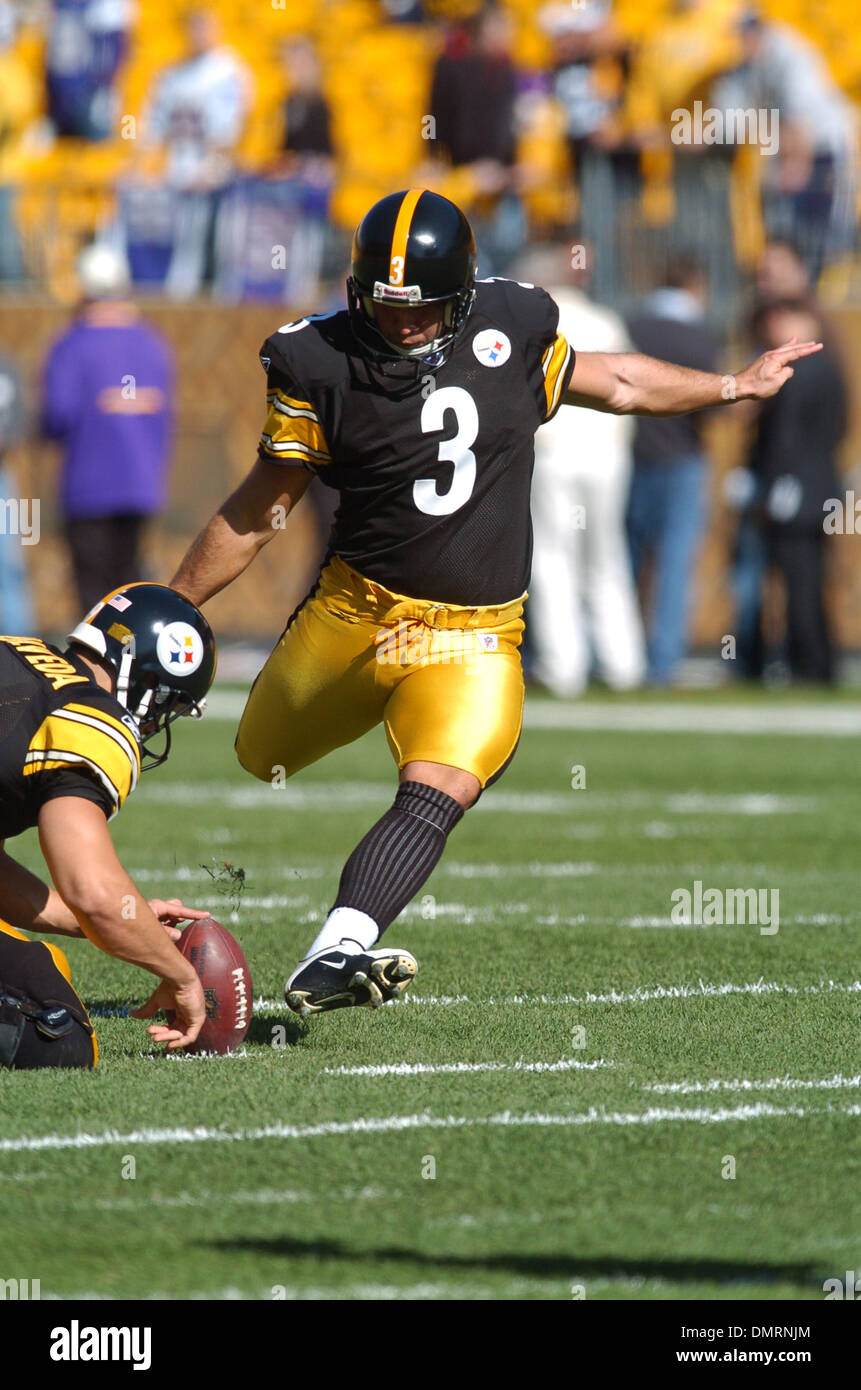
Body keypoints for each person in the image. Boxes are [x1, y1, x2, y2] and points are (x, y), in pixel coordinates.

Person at [169, 187, 820, 1020]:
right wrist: (171, 606)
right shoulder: (316, 361)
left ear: (461, 295)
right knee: (260, 753)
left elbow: (618, 381)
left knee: (442, 784)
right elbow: (261, 511)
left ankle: (337, 948)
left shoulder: (511, 326)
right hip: (353, 616)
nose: (404, 324)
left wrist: (731, 384)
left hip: (472, 637)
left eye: (422, 307)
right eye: (388, 305)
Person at [0, 583, 217, 1068]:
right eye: (167, 705)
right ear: (147, 678)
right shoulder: (91, 720)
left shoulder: (17, 650)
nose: (155, 722)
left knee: (41, 966)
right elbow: (94, 893)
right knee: (56, 1032)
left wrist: (133, 919)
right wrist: (182, 977)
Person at [528, 240, 645, 696]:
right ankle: (624, 664)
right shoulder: (605, 320)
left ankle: (564, 667)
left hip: (554, 452)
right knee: (607, 557)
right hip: (607, 455)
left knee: (553, 557)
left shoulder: (535, 324)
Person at [41, 243, 175, 613]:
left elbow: (57, 416)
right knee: (127, 589)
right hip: (140, 486)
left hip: (89, 488)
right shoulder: (152, 343)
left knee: (93, 597)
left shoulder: (72, 344)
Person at [625, 258, 720, 685]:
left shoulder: (632, 327)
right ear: (696, 284)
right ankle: (663, 662)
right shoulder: (699, 337)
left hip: (633, 458)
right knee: (675, 563)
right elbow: (712, 405)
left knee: (625, 561)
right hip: (681, 461)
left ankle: (622, 657)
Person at [749, 298, 848, 682]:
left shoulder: (799, 373)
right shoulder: (832, 367)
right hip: (822, 488)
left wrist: (776, 485)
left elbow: (785, 438)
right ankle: (817, 661)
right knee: (812, 578)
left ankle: (808, 664)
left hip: (795, 491)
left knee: (799, 581)